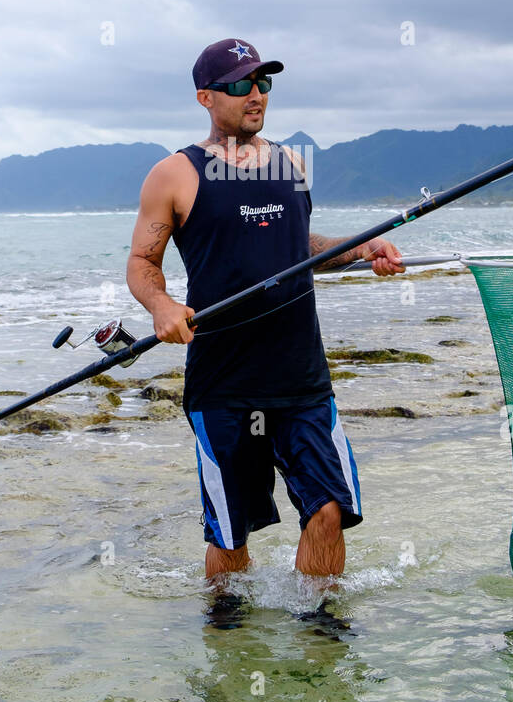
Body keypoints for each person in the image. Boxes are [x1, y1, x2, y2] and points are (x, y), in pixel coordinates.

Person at [126, 38, 406, 581]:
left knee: (327, 510)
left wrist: (361, 247)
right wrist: (162, 306)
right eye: (239, 85)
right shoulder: (175, 174)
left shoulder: (291, 163)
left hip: (301, 379)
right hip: (224, 383)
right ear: (206, 97)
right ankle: (230, 638)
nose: (255, 95)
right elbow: (141, 262)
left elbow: (298, 246)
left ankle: (320, 638)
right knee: (232, 534)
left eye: (263, 83)